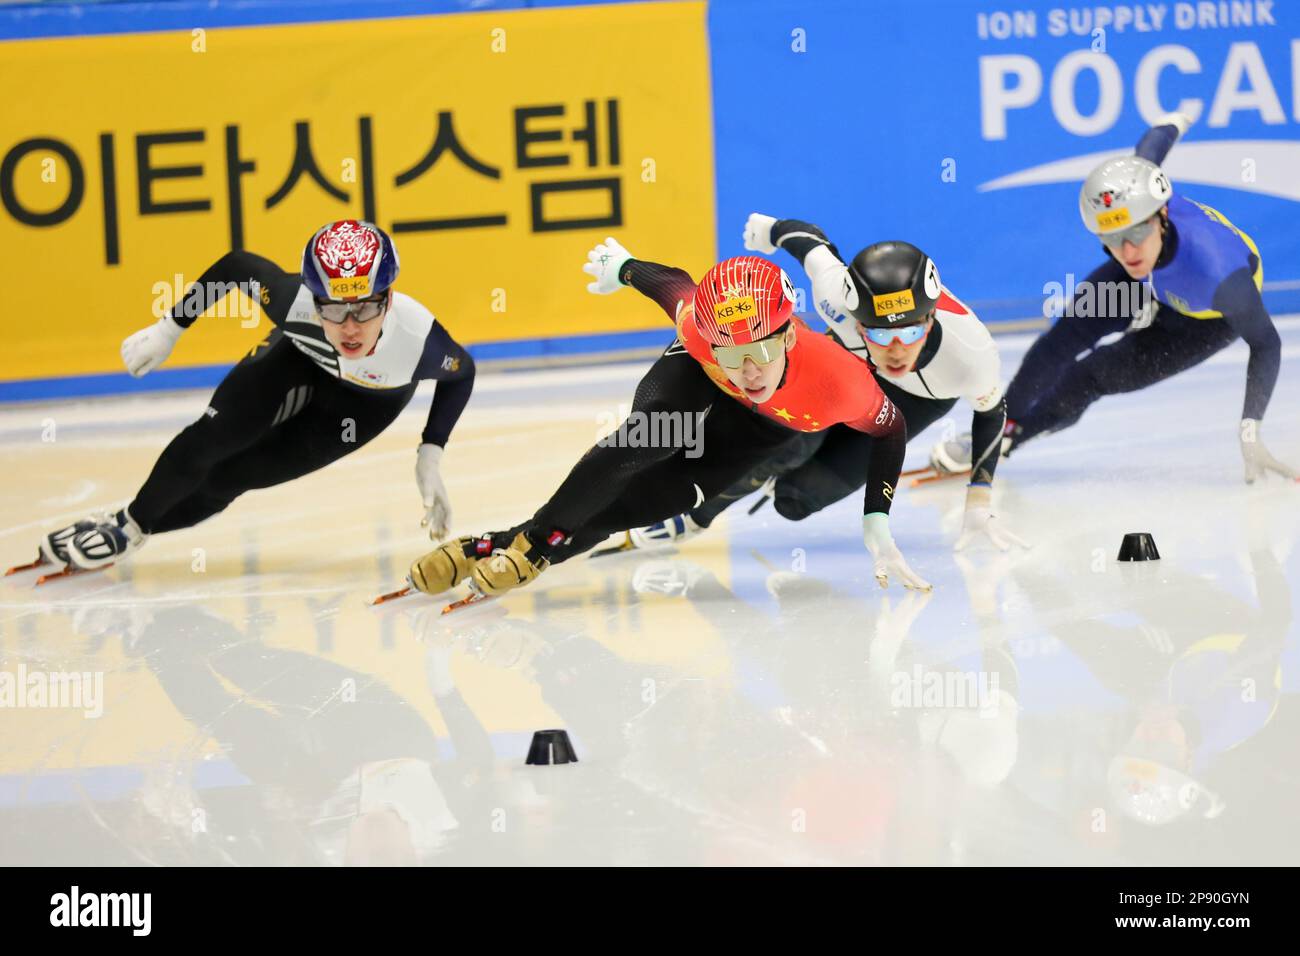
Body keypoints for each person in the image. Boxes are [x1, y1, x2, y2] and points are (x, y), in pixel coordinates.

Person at [408, 238, 930, 599]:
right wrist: (623, 268)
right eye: (732, 351)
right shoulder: (705, 335)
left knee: (642, 503)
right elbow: (674, 285)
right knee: (640, 444)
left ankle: (493, 544)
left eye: (760, 351)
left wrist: (877, 524)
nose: (748, 370)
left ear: (789, 334)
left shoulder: (840, 384)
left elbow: (891, 431)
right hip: (697, 379)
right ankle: (538, 547)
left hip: (762, 429)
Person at [32, 220, 475, 572]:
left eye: (365, 307)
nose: (350, 327)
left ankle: (136, 524)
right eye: (333, 308)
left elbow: (462, 374)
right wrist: (169, 328)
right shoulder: (292, 302)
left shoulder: (418, 340)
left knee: (232, 478)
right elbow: (235, 266)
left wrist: (430, 452)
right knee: (212, 437)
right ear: (313, 298)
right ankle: (129, 525)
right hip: (296, 358)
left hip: (365, 405)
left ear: (389, 297)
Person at [624, 214, 1024, 552]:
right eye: (881, 335)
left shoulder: (971, 354)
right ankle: (696, 514)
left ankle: (779, 476)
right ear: (857, 319)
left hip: (921, 399)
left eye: (909, 333)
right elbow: (810, 243)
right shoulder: (836, 297)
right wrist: (771, 230)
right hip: (844, 368)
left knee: (796, 501)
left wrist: (978, 500)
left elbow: (991, 415)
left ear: (930, 319)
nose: (897, 351)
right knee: (785, 443)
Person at [960, 113, 1295, 482]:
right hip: (1149, 284)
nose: (1127, 250)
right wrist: (1174, 121)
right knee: (1065, 336)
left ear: (1162, 215)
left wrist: (1250, 428)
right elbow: (1149, 148)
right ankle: (1001, 427)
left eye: (1136, 232)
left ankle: (1015, 439)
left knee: (1088, 375)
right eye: (1112, 238)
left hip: (1202, 324)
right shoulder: (1137, 230)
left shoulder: (1220, 275)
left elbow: (1267, 343)